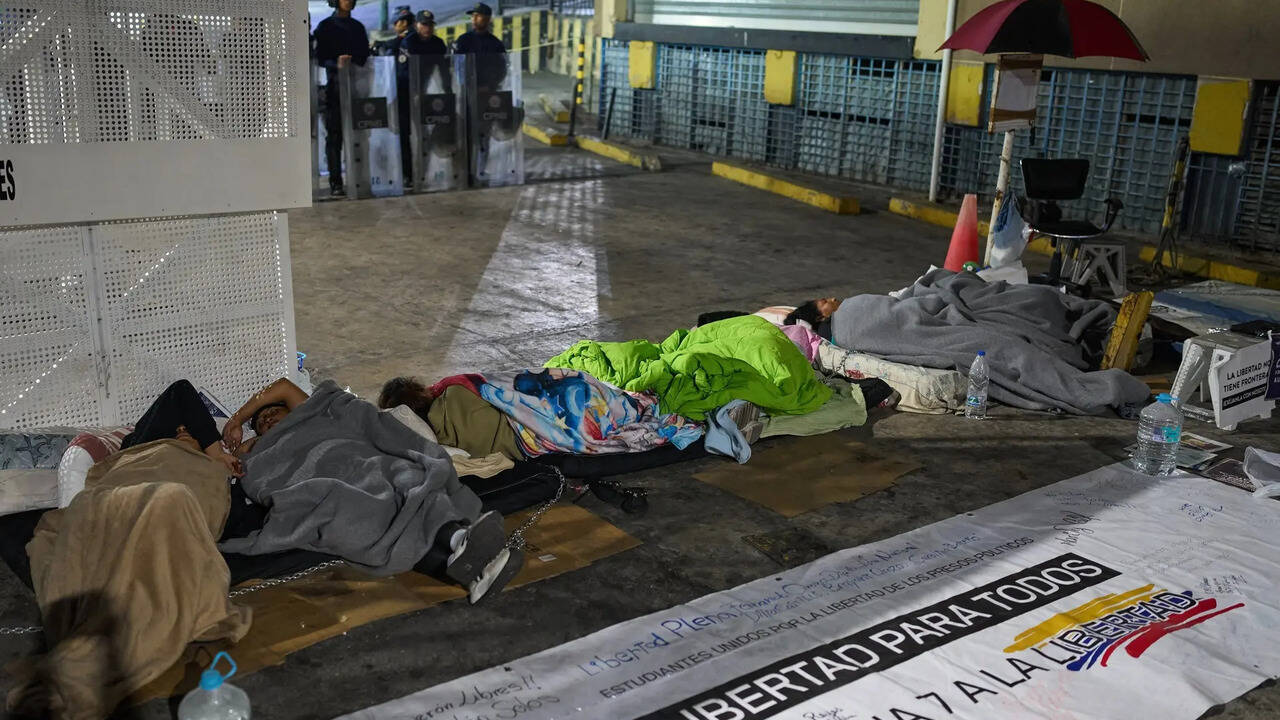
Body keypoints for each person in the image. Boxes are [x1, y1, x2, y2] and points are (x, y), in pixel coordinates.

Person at [121, 379, 244, 477]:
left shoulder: (212, 476)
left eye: (187, 429)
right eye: (177, 430)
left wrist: (216, 454)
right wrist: (217, 453)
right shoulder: (138, 457)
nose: (180, 429)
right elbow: (181, 391)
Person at [313, 0, 371, 197]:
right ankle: (336, 182)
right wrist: (336, 63)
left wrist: (353, 59)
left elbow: (364, 55)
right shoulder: (325, 27)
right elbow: (319, 57)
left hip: (356, 87)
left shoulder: (357, 27)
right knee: (334, 137)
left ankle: (359, 179)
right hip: (334, 89)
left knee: (359, 135)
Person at [396, 9, 450, 186]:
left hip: (424, 93)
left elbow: (444, 71)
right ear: (416, 25)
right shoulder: (409, 42)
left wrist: (448, 93)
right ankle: (407, 174)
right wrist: (414, 92)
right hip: (404, 93)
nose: (428, 28)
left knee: (425, 134)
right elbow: (404, 73)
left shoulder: (437, 44)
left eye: (430, 25)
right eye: (424, 24)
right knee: (405, 134)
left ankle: (424, 172)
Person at [453, 2, 507, 91]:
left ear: (487, 19)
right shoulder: (463, 40)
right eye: (473, 16)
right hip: (468, 90)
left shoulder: (496, 44)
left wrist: (490, 86)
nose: (474, 19)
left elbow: (501, 69)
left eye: (478, 16)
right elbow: (459, 67)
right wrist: (468, 85)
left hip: (488, 91)